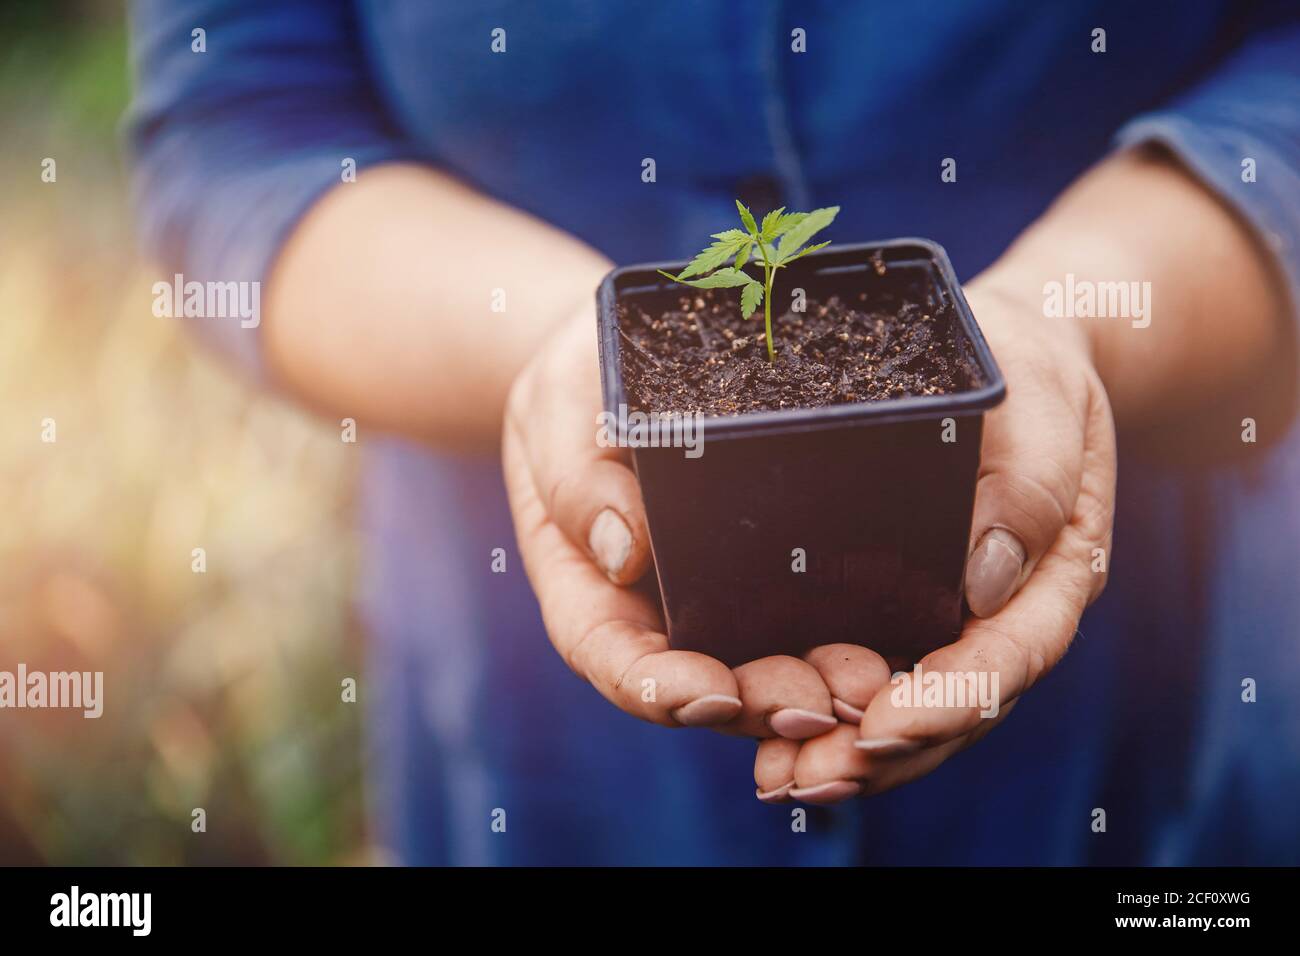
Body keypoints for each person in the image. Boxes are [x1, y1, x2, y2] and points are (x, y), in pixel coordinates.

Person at [129, 1, 1300, 864]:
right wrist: (549, 345)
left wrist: (1078, 313)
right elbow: (237, 128)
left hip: (1143, 693)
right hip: (541, 740)